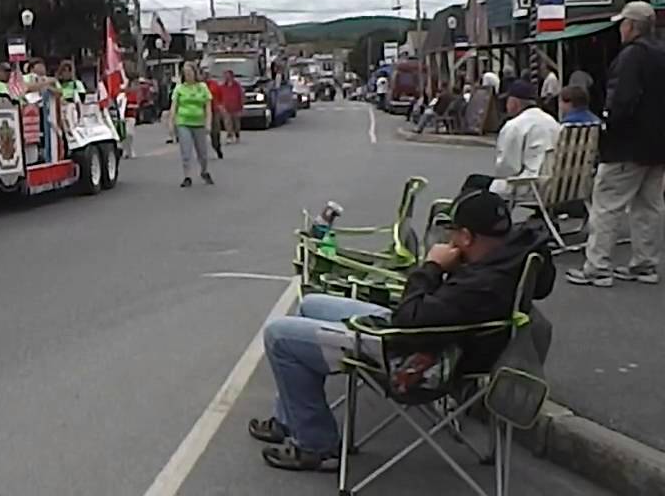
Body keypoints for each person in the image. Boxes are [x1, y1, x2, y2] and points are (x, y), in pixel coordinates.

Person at [249, 189, 554, 471]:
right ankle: (290, 420)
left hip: (415, 357)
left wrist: (432, 268)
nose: (448, 241)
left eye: (452, 234)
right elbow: (425, 315)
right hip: (435, 335)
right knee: (312, 305)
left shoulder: (482, 286)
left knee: (279, 336)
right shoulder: (508, 256)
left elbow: (409, 320)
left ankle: (316, 446)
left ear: (466, 237)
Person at [566, 1, 665, 288]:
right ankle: (645, 264)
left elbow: (622, 99)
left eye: (623, 23)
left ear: (632, 26)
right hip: (658, 146)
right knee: (649, 206)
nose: (620, 28)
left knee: (607, 205)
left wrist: (608, 125)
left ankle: (597, 267)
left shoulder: (631, 57)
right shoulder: (660, 53)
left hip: (627, 145)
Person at [481, 80, 560, 199]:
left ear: (514, 103)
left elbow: (507, 168)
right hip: (554, 183)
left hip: (531, 184)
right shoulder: (552, 122)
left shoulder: (515, 125)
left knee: (475, 183)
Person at [169, 62, 213, 187]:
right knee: (186, 151)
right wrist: (171, 123)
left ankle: (204, 171)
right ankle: (187, 176)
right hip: (184, 122)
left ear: (195, 73)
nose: (188, 75)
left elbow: (208, 107)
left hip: (199, 122)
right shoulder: (179, 88)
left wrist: (208, 123)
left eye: (190, 73)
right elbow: (174, 107)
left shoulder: (202, 87)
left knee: (202, 153)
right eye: (185, 73)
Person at [202, 67, 226, 159]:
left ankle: (217, 146)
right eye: (204, 74)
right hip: (202, 111)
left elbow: (221, 96)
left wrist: (221, 105)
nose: (206, 76)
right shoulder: (200, 86)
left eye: (207, 74)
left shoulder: (215, 85)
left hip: (214, 110)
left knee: (215, 131)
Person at [220, 70, 244, 143]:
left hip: (236, 107)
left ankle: (237, 134)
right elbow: (220, 96)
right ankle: (229, 135)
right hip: (226, 108)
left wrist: (241, 107)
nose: (226, 77)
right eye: (225, 76)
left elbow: (241, 96)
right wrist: (221, 106)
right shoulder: (222, 86)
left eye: (228, 75)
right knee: (227, 122)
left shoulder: (237, 85)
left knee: (236, 124)